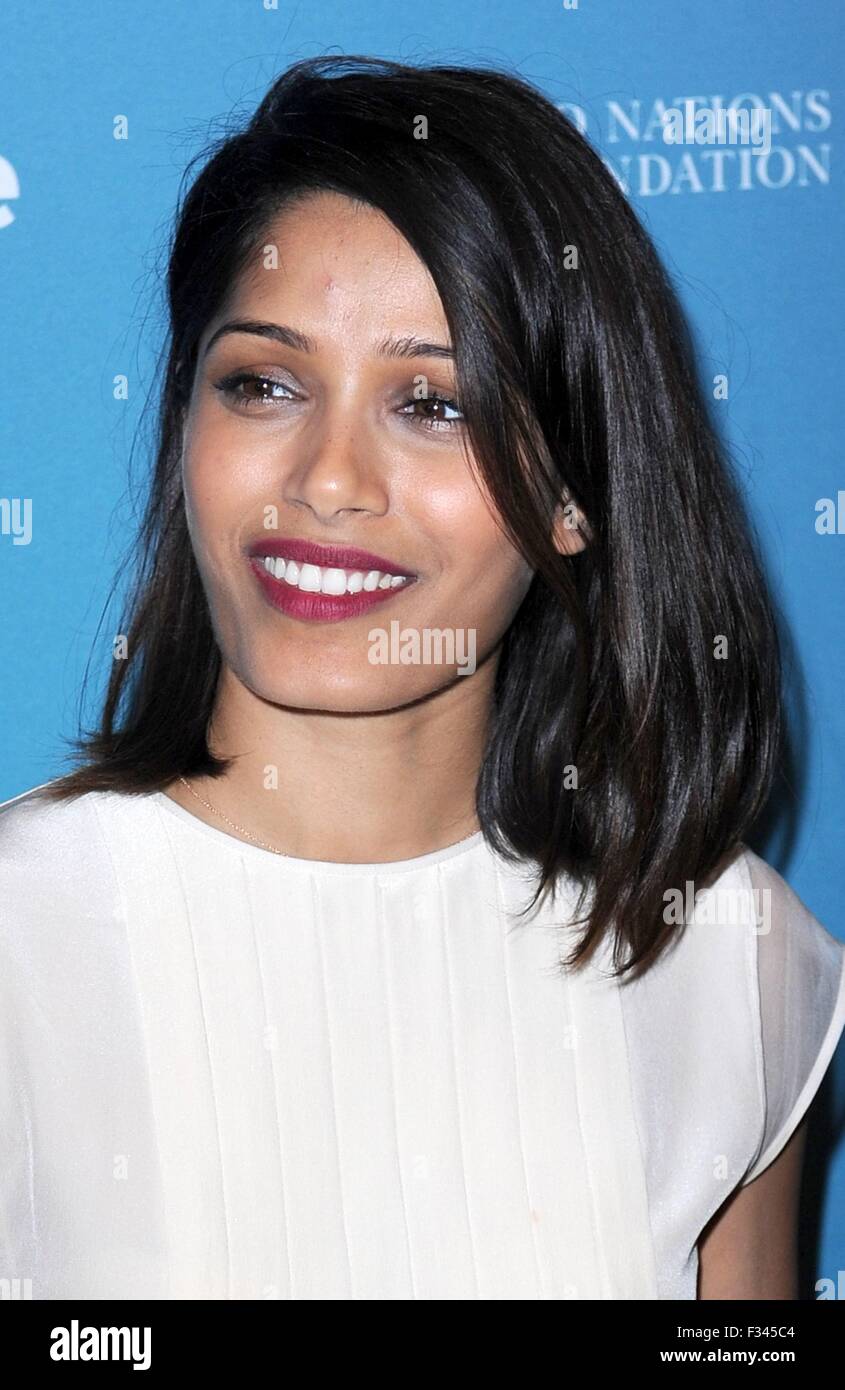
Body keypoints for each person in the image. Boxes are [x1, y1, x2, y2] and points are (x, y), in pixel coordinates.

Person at [1, 54, 843, 1302]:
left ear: (570, 495)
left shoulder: (731, 962)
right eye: (264, 383)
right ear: (185, 422)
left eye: (432, 403)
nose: (328, 479)